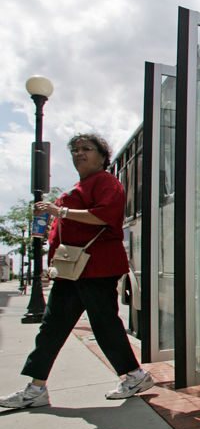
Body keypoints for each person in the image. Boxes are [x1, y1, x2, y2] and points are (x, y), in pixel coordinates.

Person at [0, 133, 154, 409]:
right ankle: (36, 387)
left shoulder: (107, 182)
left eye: (86, 148)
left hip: (97, 266)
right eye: (75, 150)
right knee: (52, 326)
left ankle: (134, 375)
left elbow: (104, 217)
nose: (79, 153)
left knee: (103, 323)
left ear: (102, 156)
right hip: (72, 270)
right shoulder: (79, 186)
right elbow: (63, 230)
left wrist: (61, 212)